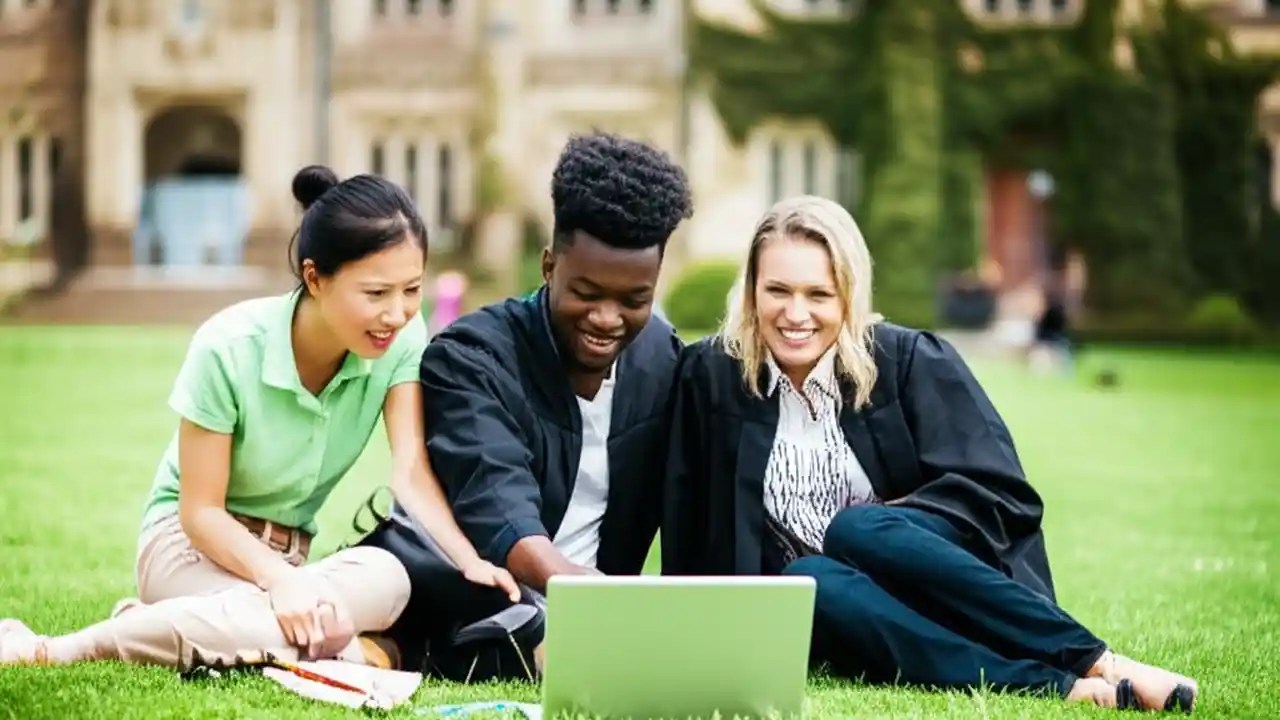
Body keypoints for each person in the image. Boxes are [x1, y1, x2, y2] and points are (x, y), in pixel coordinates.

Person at [662, 195, 1198, 713]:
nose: (795, 313)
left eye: (818, 294)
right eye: (777, 290)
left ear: (849, 294)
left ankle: (1096, 660)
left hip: (945, 590)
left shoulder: (907, 361)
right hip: (847, 615)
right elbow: (686, 512)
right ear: (751, 290)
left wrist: (888, 527)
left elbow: (1001, 497)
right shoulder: (713, 379)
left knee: (854, 530)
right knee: (809, 578)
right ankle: (1053, 686)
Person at [0, 166, 516, 669]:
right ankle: (62, 648)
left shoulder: (401, 341)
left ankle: (175, 625)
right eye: (376, 293)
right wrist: (282, 583)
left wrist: (468, 560)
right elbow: (199, 513)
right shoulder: (228, 347)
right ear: (315, 278)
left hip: (289, 564)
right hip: (188, 551)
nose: (398, 313)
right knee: (304, 617)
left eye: (411, 289)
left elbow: (409, 470)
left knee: (389, 576)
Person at [358, 132, 693, 680]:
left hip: (595, 613)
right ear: (547, 266)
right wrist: (583, 593)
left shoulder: (662, 358)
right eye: (586, 293)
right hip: (481, 599)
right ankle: (392, 649)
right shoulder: (471, 358)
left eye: (634, 300)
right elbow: (500, 506)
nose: (608, 318)